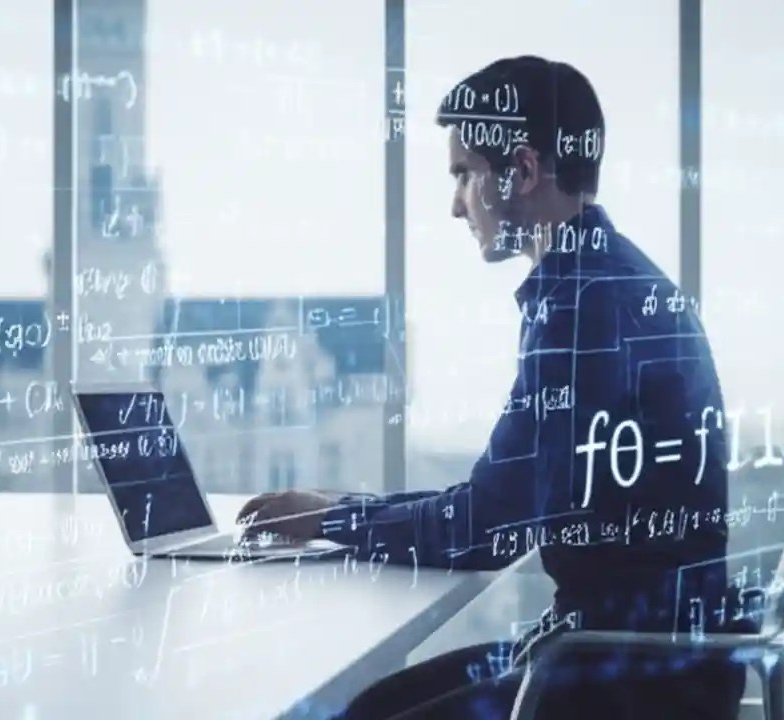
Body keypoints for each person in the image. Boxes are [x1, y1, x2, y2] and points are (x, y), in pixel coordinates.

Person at [238, 56, 745, 719]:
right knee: (366, 705)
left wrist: (331, 519)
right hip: (634, 655)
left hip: (627, 677)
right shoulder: (605, 281)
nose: (455, 203)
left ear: (524, 171)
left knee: (355, 713)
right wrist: (341, 508)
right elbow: (498, 500)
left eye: (464, 174)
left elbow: (483, 527)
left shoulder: (584, 309)